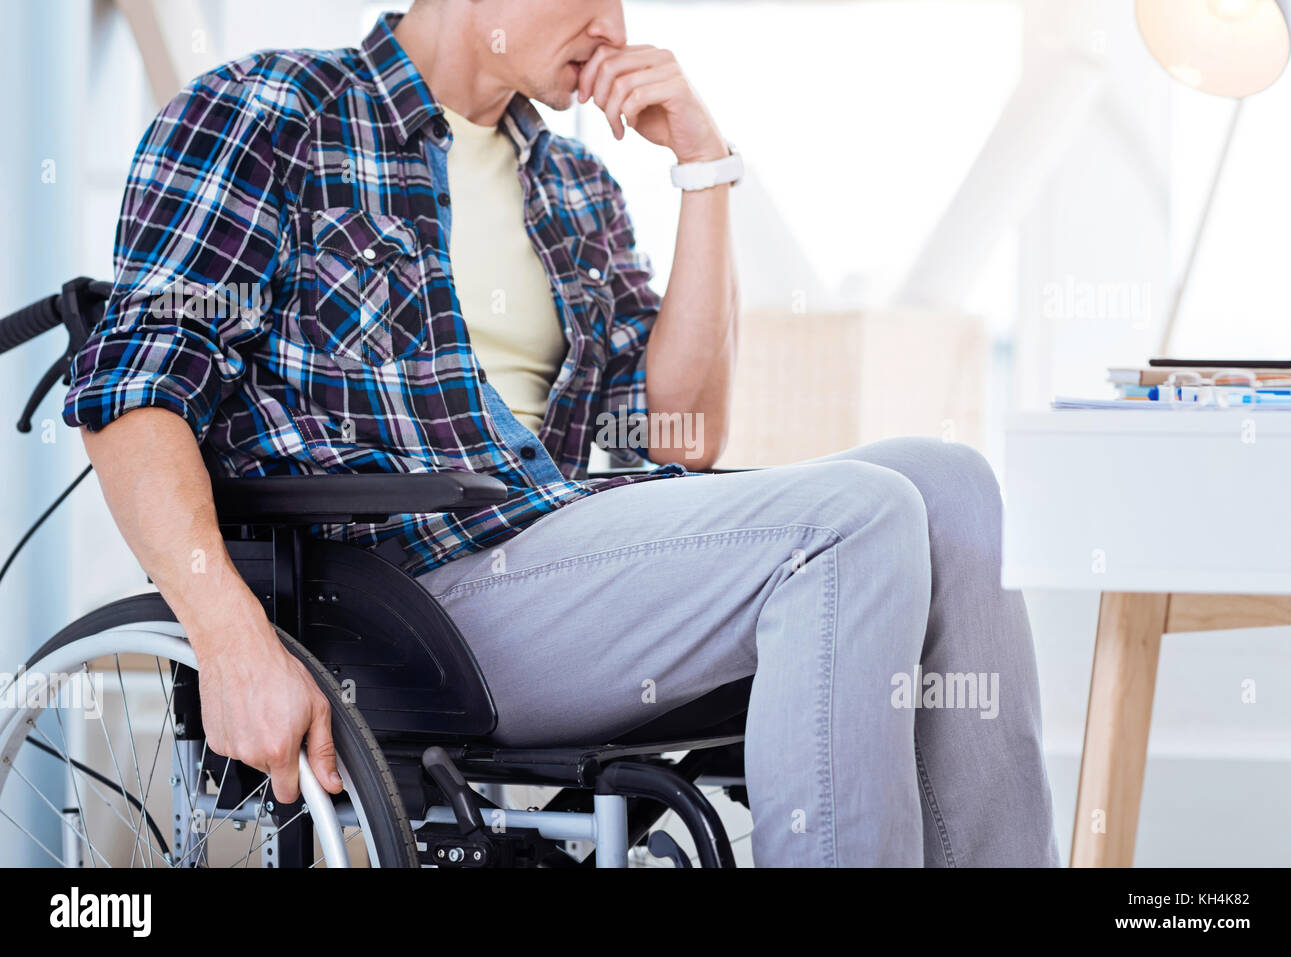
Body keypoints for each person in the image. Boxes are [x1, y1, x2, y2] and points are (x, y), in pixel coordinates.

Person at [64, 0, 1058, 866]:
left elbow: (681, 432)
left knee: (950, 485)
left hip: (565, 553)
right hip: (403, 597)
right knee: (858, 514)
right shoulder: (266, 110)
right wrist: (229, 638)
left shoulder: (571, 184)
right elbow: (134, 392)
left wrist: (703, 168)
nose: (616, 31)